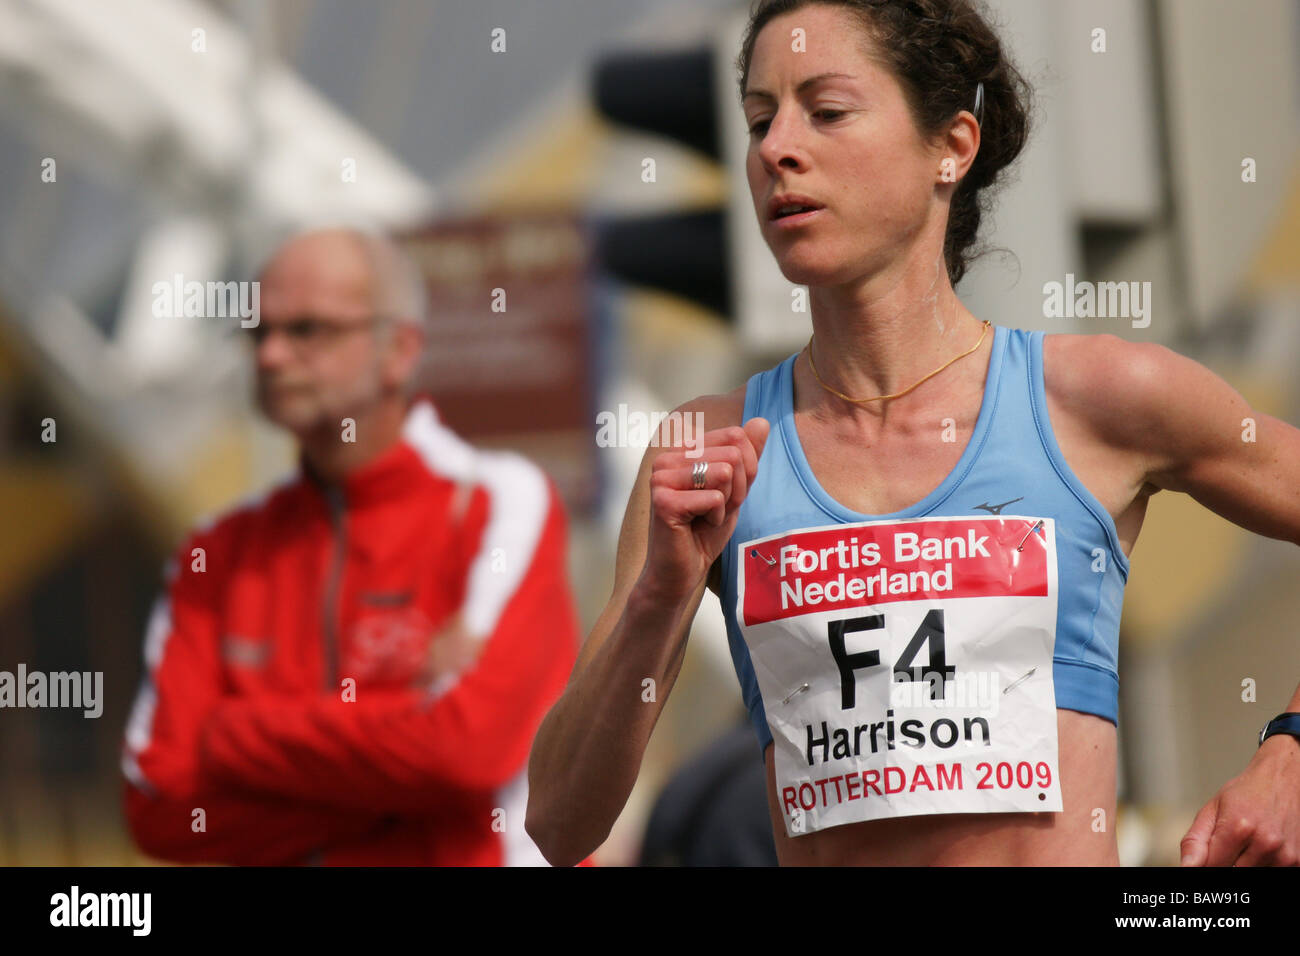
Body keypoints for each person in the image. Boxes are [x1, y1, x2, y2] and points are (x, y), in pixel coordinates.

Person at [526, 0, 1300, 866]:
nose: (779, 148)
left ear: (952, 146)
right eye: (758, 118)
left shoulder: (1099, 397)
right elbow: (558, 824)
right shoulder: (709, 449)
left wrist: (1291, 755)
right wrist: (659, 600)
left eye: (827, 111)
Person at [121, 227, 584, 865]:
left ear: (399, 350)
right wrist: (397, 776)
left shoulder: (498, 503)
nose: (271, 357)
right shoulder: (218, 551)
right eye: (257, 332)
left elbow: (465, 752)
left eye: (308, 330)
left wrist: (233, 732)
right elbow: (159, 804)